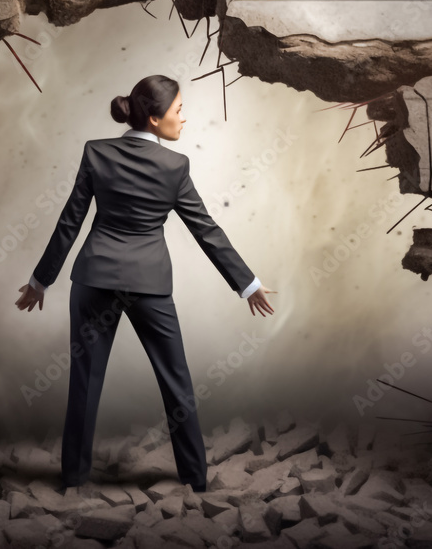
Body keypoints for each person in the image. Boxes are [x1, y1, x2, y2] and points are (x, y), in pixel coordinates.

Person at [14, 74, 275, 492]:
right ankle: (195, 479)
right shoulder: (175, 166)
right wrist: (246, 283)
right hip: (149, 284)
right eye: (179, 110)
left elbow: (70, 221)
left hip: (94, 279)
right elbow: (205, 228)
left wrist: (40, 281)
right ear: (154, 119)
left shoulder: (96, 152)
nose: (184, 118)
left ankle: (74, 478)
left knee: (84, 381)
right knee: (176, 382)